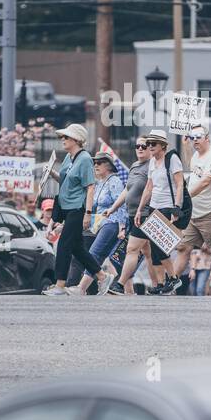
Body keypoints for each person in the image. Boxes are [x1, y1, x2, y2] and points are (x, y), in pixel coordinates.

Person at [42, 124, 107, 296]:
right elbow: (66, 180)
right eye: (62, 137)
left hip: (78, 208)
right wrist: (51, 173)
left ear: (77, 140)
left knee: (64, 245)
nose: (62, 140)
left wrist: (88, 213)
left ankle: (60, 285)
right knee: (77, 248)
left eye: (66, 137)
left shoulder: (85, 158)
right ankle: (102, 276)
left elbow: (90, 187)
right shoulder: (68, 158)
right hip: (67, 207)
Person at [169, 124, 211, 296]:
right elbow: (192, 167)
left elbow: (205, 182)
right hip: (194, 213)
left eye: (198, 137)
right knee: (183, 248)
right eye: (192, 137)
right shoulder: (196, 155)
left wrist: (184, 198)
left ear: (207, 138)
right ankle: (170, 285)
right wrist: (185, 145)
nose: (195, 140)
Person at [131, 130, 185, 295]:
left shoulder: (172, 159)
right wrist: (140, 209)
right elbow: (149, 187)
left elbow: (180, 184)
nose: (150, 146)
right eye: (149, 144)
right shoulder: (153, 162)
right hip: (153, 207)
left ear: (163, 145)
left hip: (167, 207)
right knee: (154, 248)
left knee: (161, 247)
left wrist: (176, 207)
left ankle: (174, 278)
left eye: (153, 143)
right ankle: (162, 283)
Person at [76, 151, 126, 296]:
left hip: (113, 222)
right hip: (100, 224)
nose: (95, 165)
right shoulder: (99, 184)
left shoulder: (114, 181)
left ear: (109, 166)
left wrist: (122, 227)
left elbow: (122, 204)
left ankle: (81, 288)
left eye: (99, 162)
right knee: (103, 257)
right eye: (94, 163)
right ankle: (124, 289)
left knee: (94, 254)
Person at [116, 137, 153, 295]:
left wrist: (141, 209)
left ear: (150, 147)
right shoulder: (134, 166)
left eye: (143, 146)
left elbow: (151, 189)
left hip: (144, 214)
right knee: (149, 254)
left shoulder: (152, 166)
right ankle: (160, 285)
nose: (140, 148)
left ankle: (119, 284)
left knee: (131, 250)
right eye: (137, 146)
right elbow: (127, 190)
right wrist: (112, 208)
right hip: (132, 215)